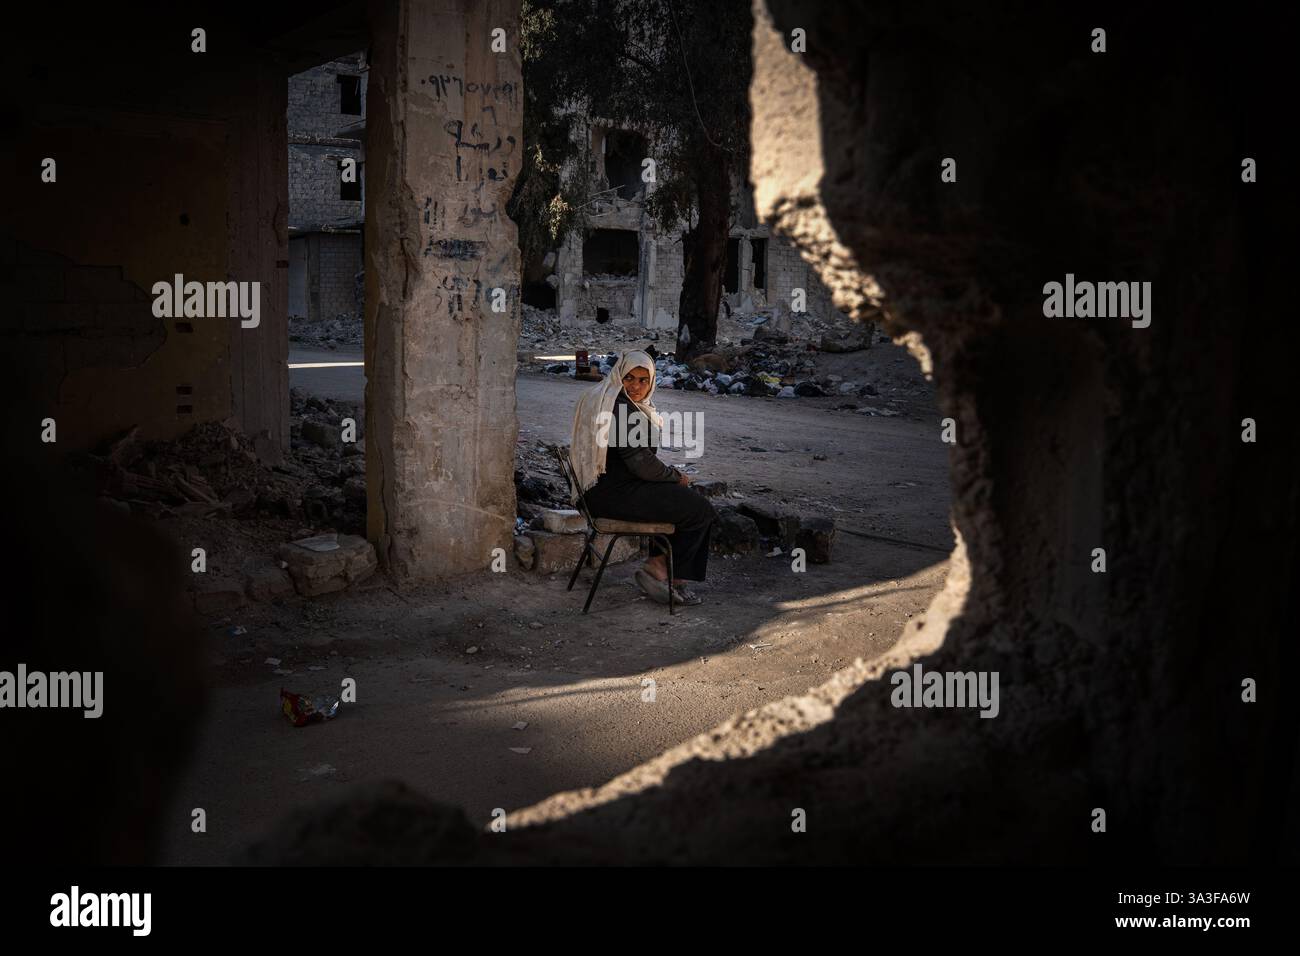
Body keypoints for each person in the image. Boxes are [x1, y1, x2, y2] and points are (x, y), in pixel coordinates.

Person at [569, 349, 717, 605]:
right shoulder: (620, 408)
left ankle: (663, 570)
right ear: (619, 376)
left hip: (598, 491)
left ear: (651, 381)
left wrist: (668, 480)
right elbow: (641, 464)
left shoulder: (608, 399)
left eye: (643, 380)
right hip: (614, 495)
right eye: (629, 378)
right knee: (700, 509)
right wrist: (675, 476)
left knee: (679, 501)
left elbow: (637, 461)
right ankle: (664, 571)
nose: (635, 386)